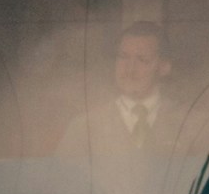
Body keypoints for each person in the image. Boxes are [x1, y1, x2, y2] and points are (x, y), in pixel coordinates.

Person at [62, 22, 185, 157]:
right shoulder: (83, 128)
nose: (130, 69)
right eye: (123, 57)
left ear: (164, 67)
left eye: (142, 59)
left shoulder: (190, 124)